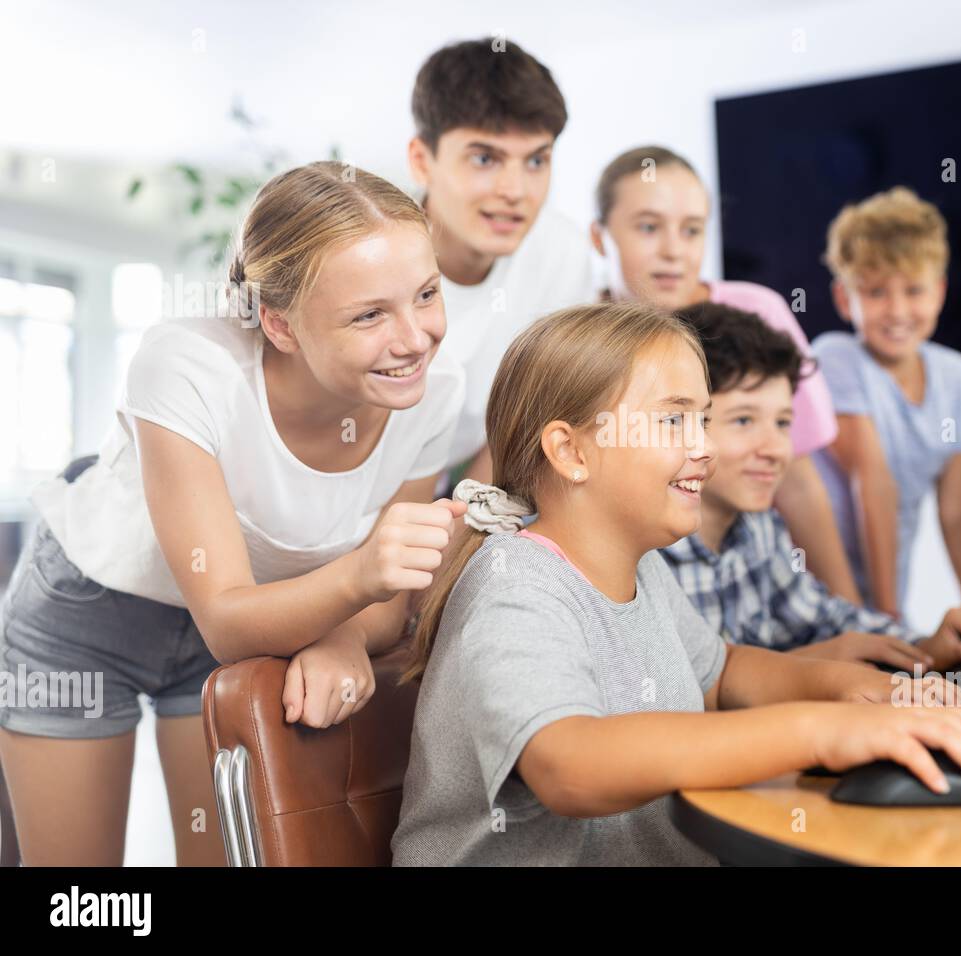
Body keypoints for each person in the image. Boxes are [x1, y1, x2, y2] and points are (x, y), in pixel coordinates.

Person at [391, 301, 961, 866]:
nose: (704, 449)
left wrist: (859, 692)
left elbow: (723, 674)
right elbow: (568, 765)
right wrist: (821, 732)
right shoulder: (515, 585)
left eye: (705, 420)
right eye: (674, 423)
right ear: (572, 452)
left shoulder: (639, 568)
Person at [0, 162, 466, 865]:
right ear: (277, 322)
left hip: (272, 624)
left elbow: (387, 601)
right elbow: (228, 613)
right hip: (94, 617)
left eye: (426, 294)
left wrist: (343, 637)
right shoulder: (190, 366)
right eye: (369, 314)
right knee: (77, 892)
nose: (415, 338)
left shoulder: (433, 396)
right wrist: (359, 582)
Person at [589, 145, 863, 604]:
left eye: (692, 230)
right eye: (649, 227)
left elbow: (798, 482)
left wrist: (848, 605)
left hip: (742, 577)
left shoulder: (757, 312)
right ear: (600, 237)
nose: (674, 251)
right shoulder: (577, 343)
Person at [662, 301, 961, 666]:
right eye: (744, 421)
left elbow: (824, 619)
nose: (775, 450)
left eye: (782, 423)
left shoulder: (758, 528)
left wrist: (928, 645)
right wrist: (818, 663)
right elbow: (688, 699)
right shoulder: (653, 556)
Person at [407, 38, 592, 487]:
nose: (515, 191)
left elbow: (532, 409)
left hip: (451, 494)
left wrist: (467, 519)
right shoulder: (374, 261)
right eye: (485, 158)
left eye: (536, 160)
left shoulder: (561, 253)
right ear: (422, 161)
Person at [813, 187, 961, 620]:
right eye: (875, 293)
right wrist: (887, 620)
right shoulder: (834, 357)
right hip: (822, 603)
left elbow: (957, 511)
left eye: (914, 290)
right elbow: (871, 483)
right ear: (844, 298)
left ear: (939, 292)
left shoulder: (955, 376)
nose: (897, 311)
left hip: (883, 600)